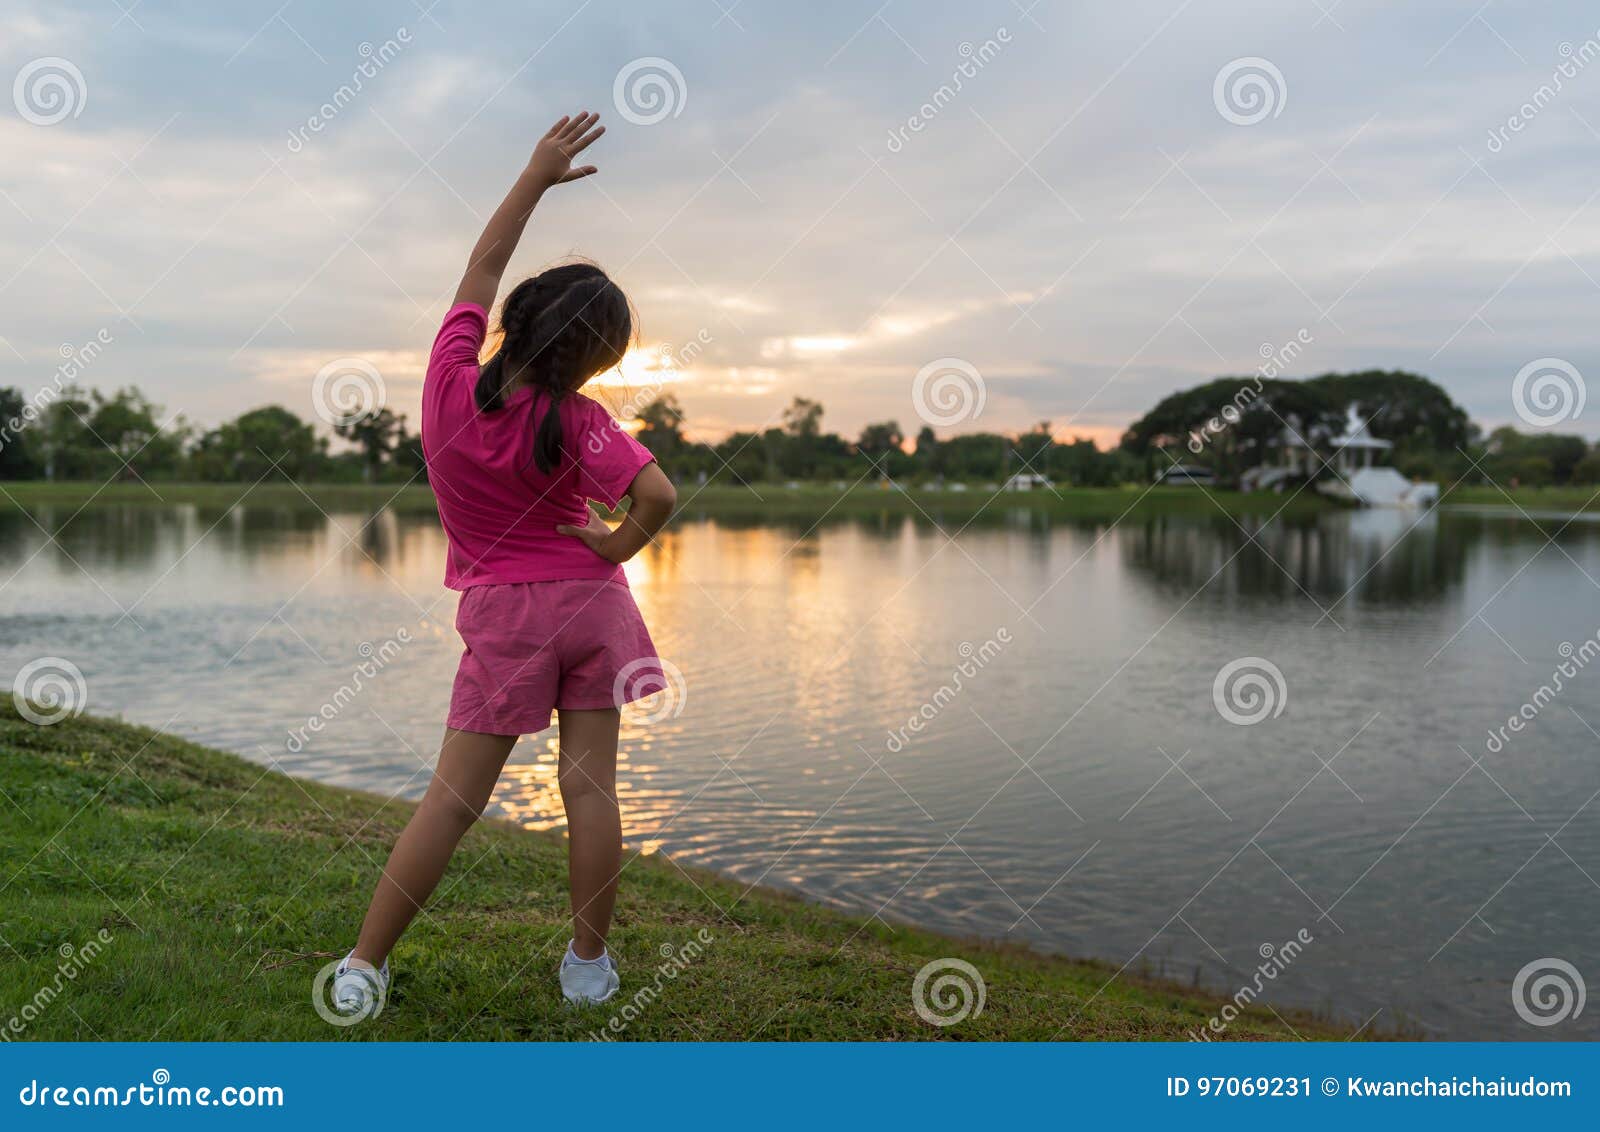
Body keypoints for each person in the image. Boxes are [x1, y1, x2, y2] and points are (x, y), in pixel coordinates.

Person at [333, 111, 677, 1014]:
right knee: (590, 788)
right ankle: (589, 970)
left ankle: (363, 969)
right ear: (598, 360)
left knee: (451, 802)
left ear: (513, 318)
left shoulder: (448, 384)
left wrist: (535, 174)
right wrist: (612, 546)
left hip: (506, 617)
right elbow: (659, 499)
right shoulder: (582, 420)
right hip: (594, 607)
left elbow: (482, 266)